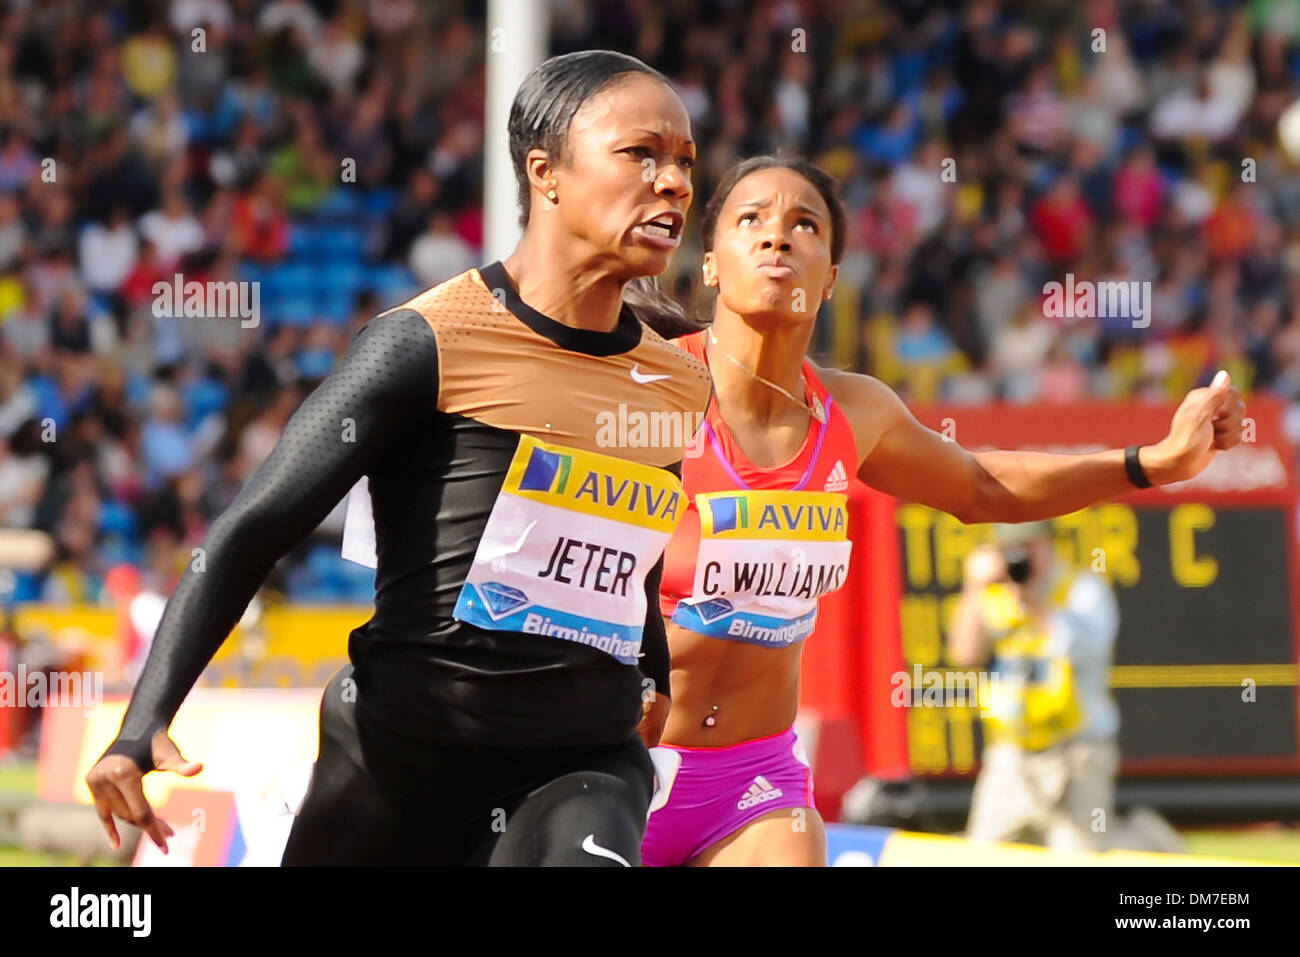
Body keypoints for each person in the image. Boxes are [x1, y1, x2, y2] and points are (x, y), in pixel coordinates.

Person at [84, 50, 711, 867]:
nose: (673, 183)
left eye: (686, 163)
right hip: (399, 758)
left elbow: (625, 557)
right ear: (545, 171)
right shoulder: (424, 343)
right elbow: (250, 530)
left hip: (580, 765)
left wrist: (650, 675)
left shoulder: (674, 379)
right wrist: (143, 722)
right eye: (642, 154)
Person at [637, 155, 1246, 866]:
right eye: (752, 221)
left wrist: (1153, 463)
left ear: (830, 277)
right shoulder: (647, 389)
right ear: (710, 264)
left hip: (754, 786)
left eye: (805, 224)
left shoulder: (856, 412)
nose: (777, 237)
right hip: (624, 763)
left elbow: (983, 485)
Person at [948, 520, 1120, 851]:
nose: (1021, 557)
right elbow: (965, 653)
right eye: (1012, 550)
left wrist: (1032, 601)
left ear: (1049, 544)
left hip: (1078, 755)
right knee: (983, 855)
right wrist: (974, 587)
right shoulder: (995, 595)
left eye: (1029, 546)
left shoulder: (1082, 590)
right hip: (1012, 756)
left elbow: (1083, 649)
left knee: (1080, 854)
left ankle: (1145, 838)